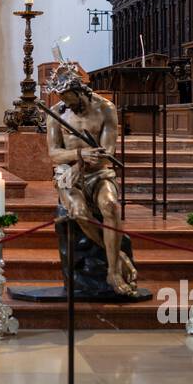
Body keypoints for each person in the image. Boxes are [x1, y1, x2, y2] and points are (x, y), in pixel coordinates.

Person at [46, 62, 137, 296]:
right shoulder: (56, 112)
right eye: (61, 96)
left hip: (98, 173)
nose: (65, 102)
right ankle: (117, 255)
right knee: (78, 211)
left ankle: (113, 272)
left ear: (79, 90)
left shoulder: (105, 109)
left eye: (67, 96)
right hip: (68, 173)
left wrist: (83, 162)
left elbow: (106, 153)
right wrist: (78, 156)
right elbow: (54, 154)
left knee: (109, 206)